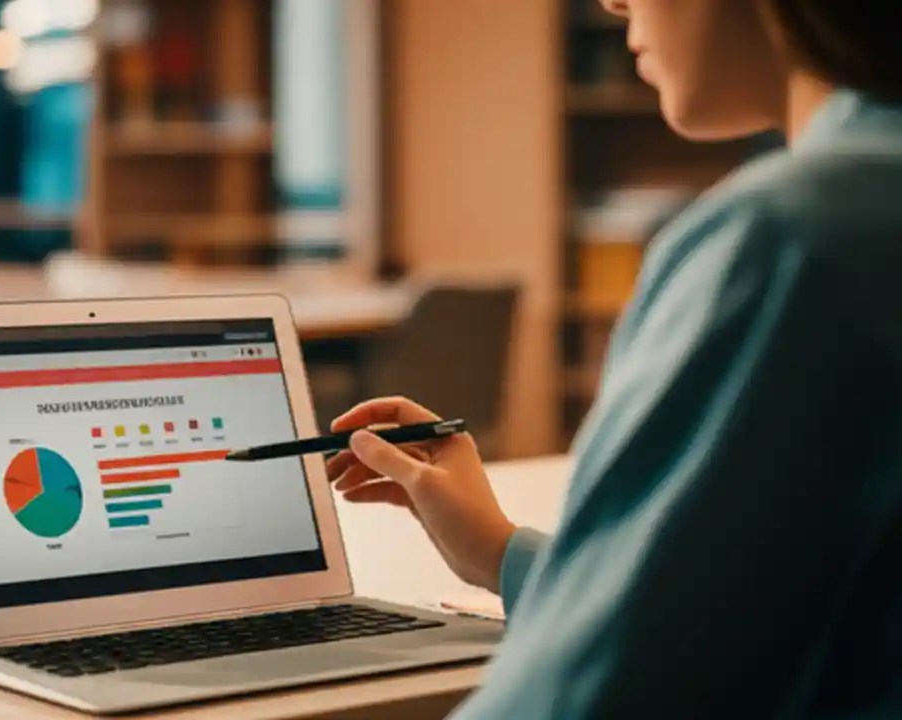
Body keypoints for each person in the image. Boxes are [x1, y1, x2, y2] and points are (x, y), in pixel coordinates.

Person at [328, 1, 902, 716]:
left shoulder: (795, 242)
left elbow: (584, 701)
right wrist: (498, 551)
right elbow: (741, 605)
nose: (612, 1)